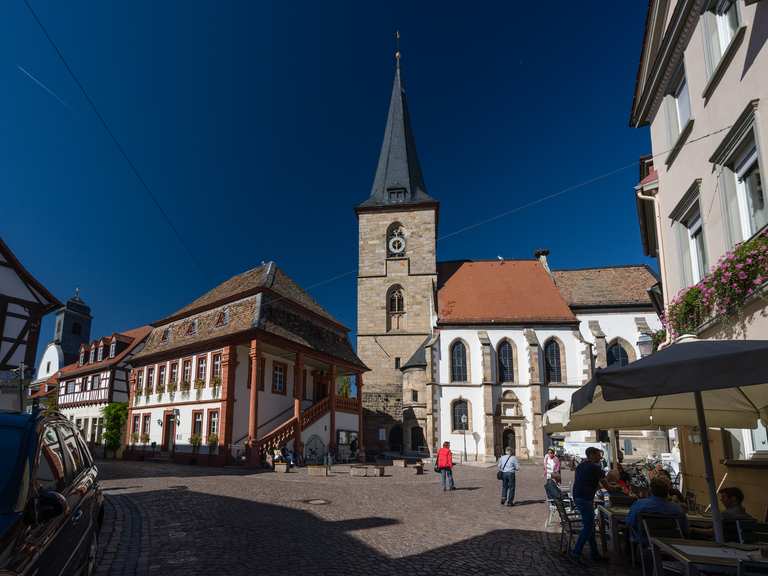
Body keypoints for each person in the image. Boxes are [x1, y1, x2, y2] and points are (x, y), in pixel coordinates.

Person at [569, 447, 608, 564]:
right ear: (591, 454)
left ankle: (595, 554)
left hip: (578, 497)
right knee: (588, 527)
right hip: (585, 499)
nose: (600, 457)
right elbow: (606, 484)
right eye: (598, 455)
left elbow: (585, 481)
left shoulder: (581, 465)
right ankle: (576, 553)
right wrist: (615, 487)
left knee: (589, 527)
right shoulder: (595, 467)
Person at [626, 477, 688, 543]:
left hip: (645, 542)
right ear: (667, 491)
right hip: (670, 545)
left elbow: (629, 522)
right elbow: (685, 530)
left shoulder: (639, 505)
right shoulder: (678, 510)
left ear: (650, 490)